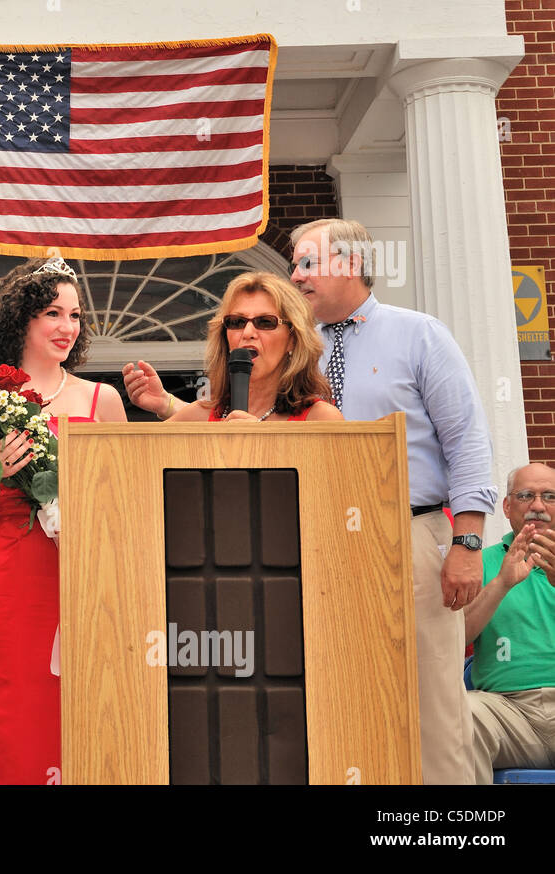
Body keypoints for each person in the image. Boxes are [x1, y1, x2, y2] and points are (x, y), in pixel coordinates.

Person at [127, 219, 495, 784]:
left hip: (407, 534)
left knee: (428, 704)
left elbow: (467, 440)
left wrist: (468, 541)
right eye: (293, 264)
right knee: (336, 704)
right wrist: (167, 410)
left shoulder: (419, 335)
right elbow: (228, 430)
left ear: (351, 263)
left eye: (307, 262)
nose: (295, 274)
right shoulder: (271, 358)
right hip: (304, 548)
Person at [0, 256, 126, 785]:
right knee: (7, 706)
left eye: (75, 316)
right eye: (53, 313)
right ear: (21, 319)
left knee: (80, 701)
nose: (67, 326)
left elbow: (122, 507)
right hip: (6, 577)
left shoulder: (102, 400)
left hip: (80, 575)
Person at [131, 271, 342, 423]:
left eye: (265, 322)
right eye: (237, 322)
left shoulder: (321, 419)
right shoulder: (199, 415)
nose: (248, 332)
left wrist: (263, 442)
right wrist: (164, 402)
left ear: (293, 339)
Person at [465, 463, 555, 782]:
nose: (538, 505)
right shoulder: (478, 563)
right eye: (526, 495)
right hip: (507, 711)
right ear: (506, 506)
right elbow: (455, 639)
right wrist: (501, 583)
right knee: (459, 716)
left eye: (550, 496)